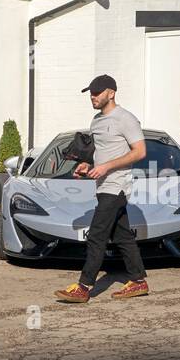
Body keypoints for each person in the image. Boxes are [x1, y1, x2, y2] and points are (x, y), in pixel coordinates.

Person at [54, 75, 149, 303]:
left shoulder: (126, 119)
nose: (93, 97)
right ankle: (138, 281)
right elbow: (101, 153)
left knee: (96, 235)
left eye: (97, 92)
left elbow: (140, 152)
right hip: (102, 185)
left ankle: (84, 287)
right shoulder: (96, 121)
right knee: (122, 236)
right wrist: (87, 165)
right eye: (91, 93)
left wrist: (107, 167)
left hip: (117, 185)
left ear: (111, 93)